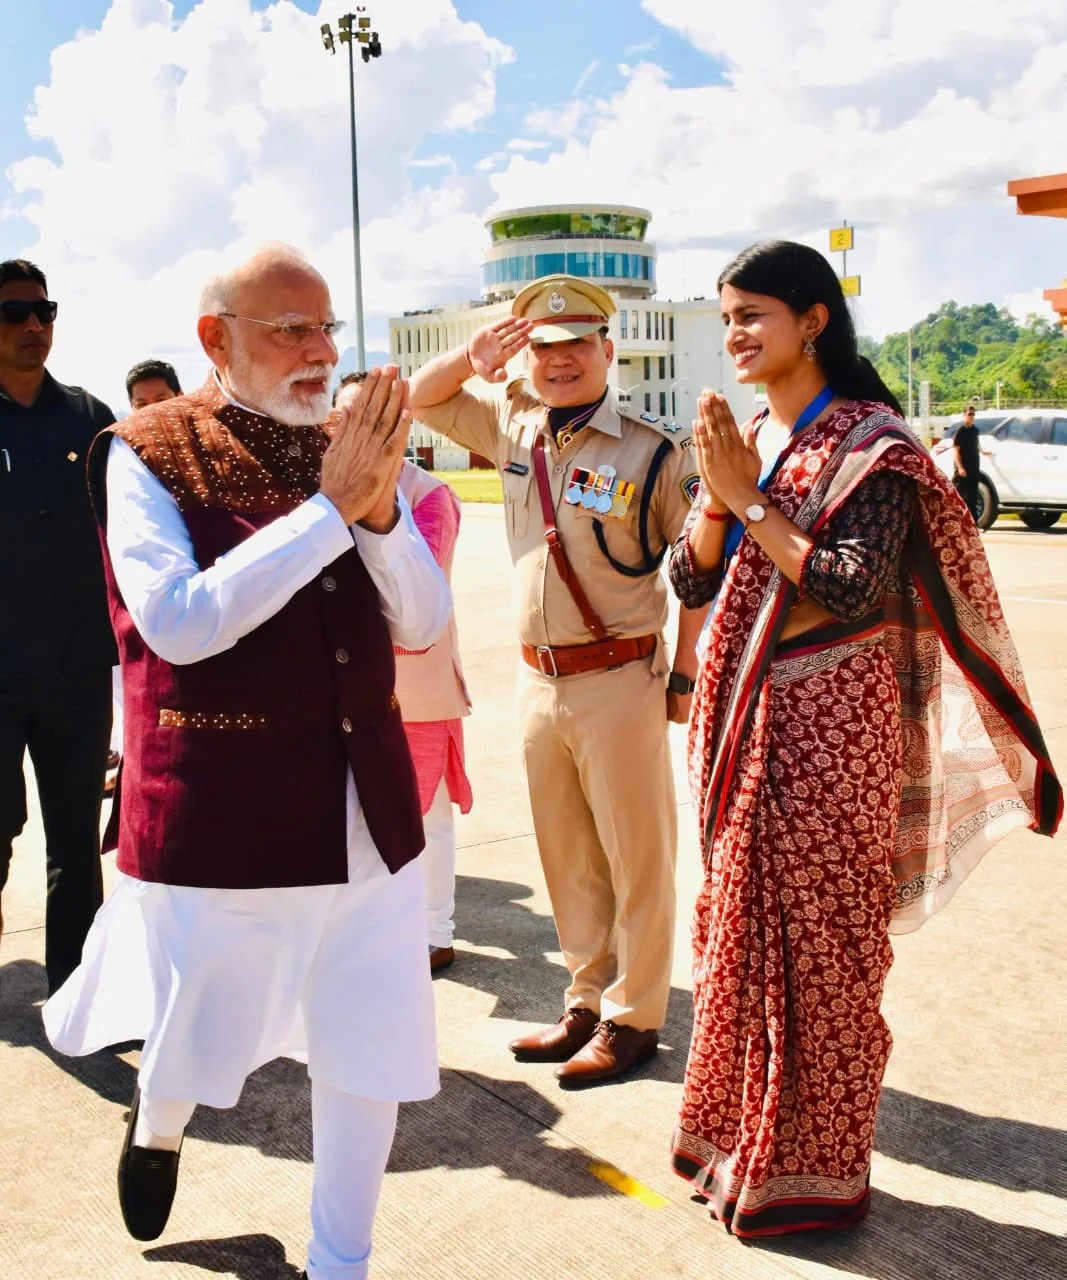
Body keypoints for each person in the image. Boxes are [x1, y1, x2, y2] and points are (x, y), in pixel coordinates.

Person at [43, 245, 450, 1280]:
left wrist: (375, 511)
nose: (320, 352)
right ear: (215, 339)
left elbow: (423, 616)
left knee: (369, 1048)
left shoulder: (354, 440)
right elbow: (177, 623)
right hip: (227, 808)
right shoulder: (143, 450)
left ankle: (339, 1262)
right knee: (199, 1022)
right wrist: (328, 513)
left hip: (368, 810)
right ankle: (160, 1119)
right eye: (290, 329)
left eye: (327, 329)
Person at [667, 240, 1062, 1237]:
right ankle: (740, 1149)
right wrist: (720, 488)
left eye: (752, 312)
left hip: (830, 736)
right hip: (741, 726)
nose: (734, 334)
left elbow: (843, 579)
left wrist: (746, 494)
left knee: (823, 955)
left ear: (812, 319)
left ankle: (818, 1172)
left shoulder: (873, 446)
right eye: (723, 316)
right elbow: (690, 580)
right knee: (739, 942)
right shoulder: (748, 431)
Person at [409, 275, 707, 1086]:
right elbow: (418, 402)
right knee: (568, 854)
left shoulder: (653, 451)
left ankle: (635, 1015)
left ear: (608, 350)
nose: (561, 361)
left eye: (577, 344)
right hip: (539, 680)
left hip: (621, 677)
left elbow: (701, 574)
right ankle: (583, 998)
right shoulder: (515, 423)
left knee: (635, 855)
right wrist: (468, 359)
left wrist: (682, 676)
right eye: (544, 348)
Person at [0, 258, 116, 992]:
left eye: (44, 310)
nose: (33, 325)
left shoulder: (88, 417)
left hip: (77, 665)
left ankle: (77, 988)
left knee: (75, 832)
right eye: (14, 313)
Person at [336, 372, 472, 972]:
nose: (359, 430)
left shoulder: (429, 495)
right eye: (347, 418)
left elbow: (420, 593)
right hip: (339, 687)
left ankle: (434, 931)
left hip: (416, 687)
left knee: (427, 813)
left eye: (378, 417)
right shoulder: (320, 491)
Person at [103, 360, 185, 794]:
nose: (152, 411)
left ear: (181, 396)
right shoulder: (122, 460)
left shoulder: (206, 458)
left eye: (161, 400)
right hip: (133, 613)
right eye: (141, 404)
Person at [952, 403, 981, 521]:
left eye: (973, 414)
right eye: (969, 414)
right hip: (963, 467)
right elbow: (956, 450)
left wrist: (983, 451)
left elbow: (976, 444)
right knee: (958, 495)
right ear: (964, 415)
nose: (971, 416)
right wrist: (960, 467)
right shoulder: (961, 431)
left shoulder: (975, 430)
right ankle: (955, 518)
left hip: (974, 466)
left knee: (973, 495)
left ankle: (973, 522)